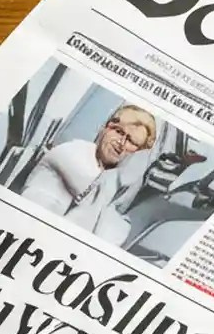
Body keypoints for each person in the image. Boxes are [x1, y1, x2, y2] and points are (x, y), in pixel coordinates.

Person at [19, 104, 157, 243]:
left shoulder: (110, 180)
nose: (121, 143)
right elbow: (88, 191)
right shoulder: (72, 152)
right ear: (106, 128)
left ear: (138, 153)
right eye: (119, 132)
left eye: (131, 141)